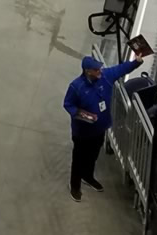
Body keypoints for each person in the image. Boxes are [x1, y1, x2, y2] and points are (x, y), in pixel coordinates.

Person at [62, 51, 146, 199]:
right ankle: (75, 186)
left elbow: (121, 69)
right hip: (82, 132)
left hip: (100, 128)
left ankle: (88, 176)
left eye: (99, 68)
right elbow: (68, 104)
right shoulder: (76, 87)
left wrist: (136, 62)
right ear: (88, 71)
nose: (99, 71)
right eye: (96, 70)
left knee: (93, 155)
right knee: (79, 159)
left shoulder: (105, 76)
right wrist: (81, 114)